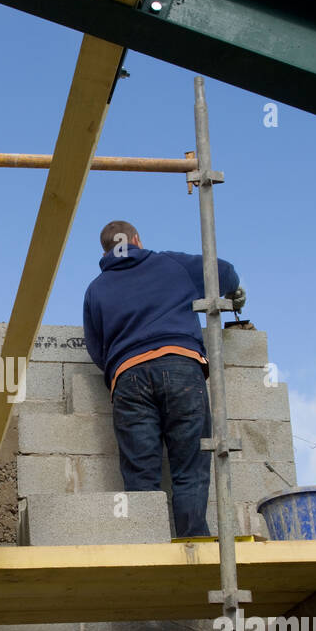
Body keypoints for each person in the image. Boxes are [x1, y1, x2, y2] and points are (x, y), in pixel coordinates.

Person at [82, 220, 245, 538]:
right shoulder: (171, 265)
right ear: (136, 239)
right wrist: (235, 292)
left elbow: (96, 348)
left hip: (128, 377)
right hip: (180, 366)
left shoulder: (95, 290)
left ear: (105, 250)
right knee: (190, 468)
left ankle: (148, 546)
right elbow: (223, 271)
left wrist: (122, 367)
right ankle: (194, 542)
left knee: (140, 475)